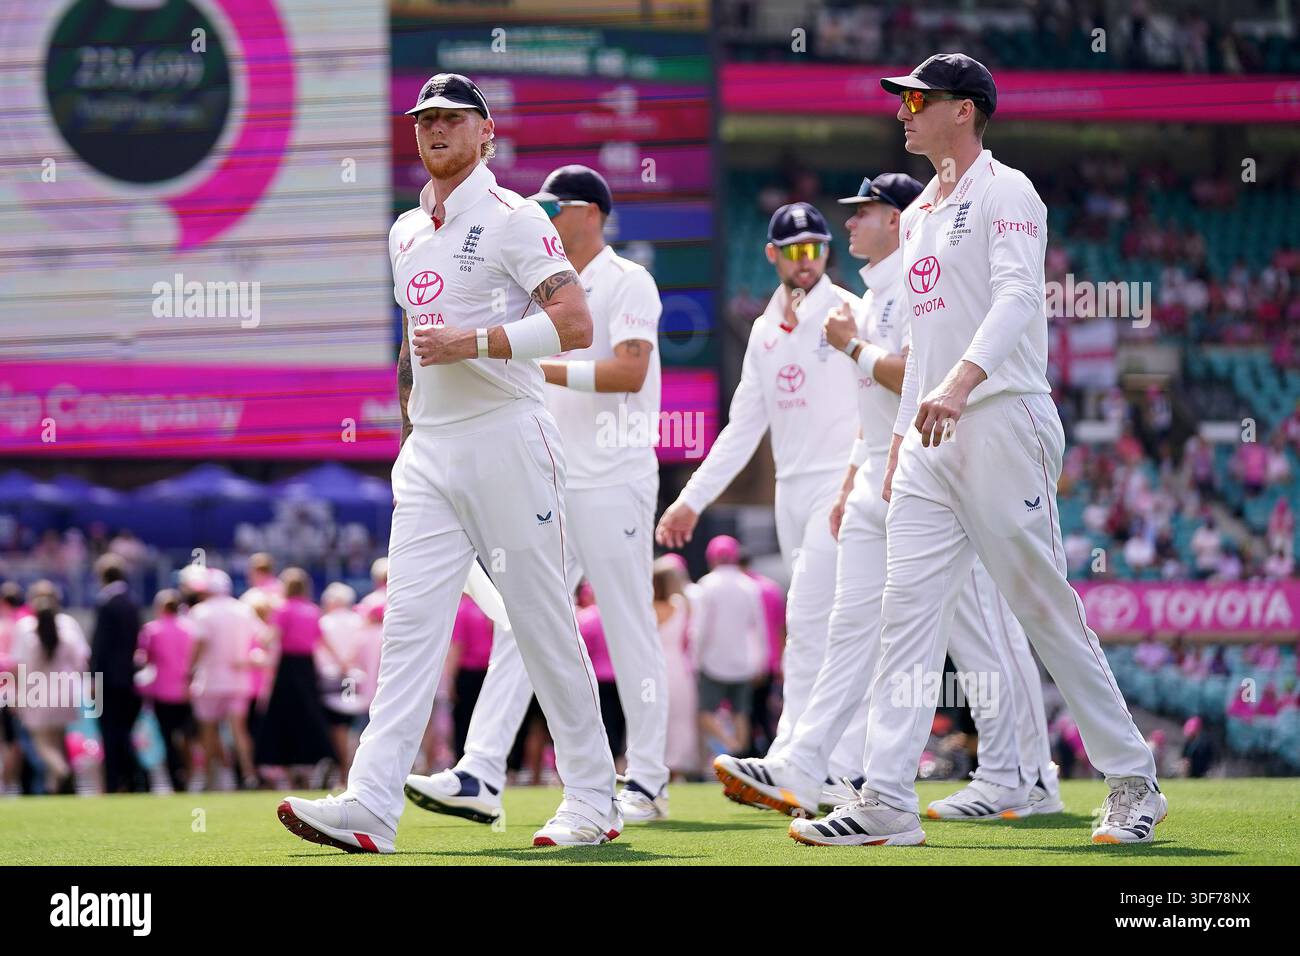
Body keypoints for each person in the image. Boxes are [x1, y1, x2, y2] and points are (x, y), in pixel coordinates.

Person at [791, 54, 1164, 848]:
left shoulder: (1009, 191)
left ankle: (1132, 781)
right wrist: (897, 445)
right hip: (929, 440)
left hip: (1002, 417)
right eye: (902, 100)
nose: (903, 112)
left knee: (1041, 604)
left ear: (965, 110)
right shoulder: (921, 210)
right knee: (906, 614)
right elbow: (925, 341)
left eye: (918, 99)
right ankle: (887, 798)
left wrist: (961, 385)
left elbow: (1019, 298)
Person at [278, 74, 619, 853]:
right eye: (424, 119)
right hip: (431, 450)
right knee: (407, 628)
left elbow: (574, 323)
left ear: (485, 132)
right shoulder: (404, 230)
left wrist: (476, 344)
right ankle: (370, 802)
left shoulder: (515, 218)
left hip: (508, 434)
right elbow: (412, 343)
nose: (433, 130)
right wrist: (409, 431)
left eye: (450, 119)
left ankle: (594, 801)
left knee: (539, 622)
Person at [716, 171, 1062, 821]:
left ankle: (1023, 775)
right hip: (885, 479)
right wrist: (856, 474)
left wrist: (855, 349)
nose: (849, 224)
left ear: (901, 219)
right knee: (855, 626)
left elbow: (919, 374)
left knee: (983, 633)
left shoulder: (912, 285)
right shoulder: (875, 295)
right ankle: (806, 761)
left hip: (939, 478)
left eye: (865, 211)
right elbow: (875, 404)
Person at [405, 164, 671, 826]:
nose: (546, 215)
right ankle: (480, 771)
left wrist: (525, 358)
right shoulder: (530, 286)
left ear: (592, 214)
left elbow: (629, 371)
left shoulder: (626, 280)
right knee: (526, 621)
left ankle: (648, 780)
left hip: (614, 477)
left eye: (559, 206)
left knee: (628, 622)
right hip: (553, 473)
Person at [656, 201, 867, 806]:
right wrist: (691, 500)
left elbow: (882, 400)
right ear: (772, 255)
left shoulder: (850, 312)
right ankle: (815, 764)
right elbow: (742, 428)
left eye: (816, 248)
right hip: (792, 492)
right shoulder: (763, 331)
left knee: (816, 620)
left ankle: (808, 761)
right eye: (793, 250)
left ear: (827, 251)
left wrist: (861, 474)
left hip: (842, 483)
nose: (806, 260)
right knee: (811, 628)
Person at [691, 536, 768, 760]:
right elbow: (758, 628)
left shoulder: (707, 584)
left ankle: (730, 746)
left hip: (712, 660)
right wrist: (760, 661)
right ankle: (740, 756)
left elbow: (701, 627)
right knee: (741, 713)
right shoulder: (749, 585)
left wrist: (695, 657)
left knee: (705, 713)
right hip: (743, 662)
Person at [257, 568, 334, 787]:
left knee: (282, 715)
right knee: (309, 714)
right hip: (307, 668)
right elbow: (322, 640)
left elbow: (270, 637)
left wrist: (258, 640)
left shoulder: (282, 609)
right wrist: (343, 662)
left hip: (288, 667)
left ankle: (283, 765)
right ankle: (313, 762)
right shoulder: (312, 610)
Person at [12, 582, 89, 794]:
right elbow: (81, 661)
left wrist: (16, 694)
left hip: (37, 691)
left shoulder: (25, 629)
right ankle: (55, 787)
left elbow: (18, 666)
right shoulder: (68, 626)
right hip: (65, 691)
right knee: (58, 739)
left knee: (42, 743)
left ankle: (62, 772)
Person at [189, 569, 260, 790]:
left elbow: (199, 644)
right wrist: (246, 659)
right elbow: (263, 636)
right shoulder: (243, 610)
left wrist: (189, 670)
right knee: (239, 730)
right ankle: (248, 774)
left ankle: (209, 778)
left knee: (208, 730)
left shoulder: (201, 611)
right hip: (238, 679)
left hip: (210, 680)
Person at [89, 554, 145, 793]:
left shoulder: (106, 603)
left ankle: (114, 781)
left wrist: (93, 677)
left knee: (110, 731)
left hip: (108, 681)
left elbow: (99, 646)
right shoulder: (132, 602)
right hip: (128, 678)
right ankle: (133, 779)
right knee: (124, 730)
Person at [135, 589, 195, 793]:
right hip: (187, 692)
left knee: (168, 737)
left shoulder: (152, 630)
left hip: (162, 692)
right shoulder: (190, 629)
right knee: (187, 737)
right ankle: (189, 773)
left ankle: (176, 777)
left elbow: (144, 659)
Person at [315, 583, 374, 788]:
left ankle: (344, 772)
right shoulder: (359, 621)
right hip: (354, 679)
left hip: (332, 679)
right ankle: (353, 771)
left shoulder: (325, 622)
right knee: (354, 726)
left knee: (339, 728)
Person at [653, 556, 698, 780]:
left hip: (654, 666)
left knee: (655, 715)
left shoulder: (649, 608)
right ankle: (676, 766)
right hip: (678, 667)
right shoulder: (682, 605)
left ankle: (655, 764)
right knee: (679, 717)